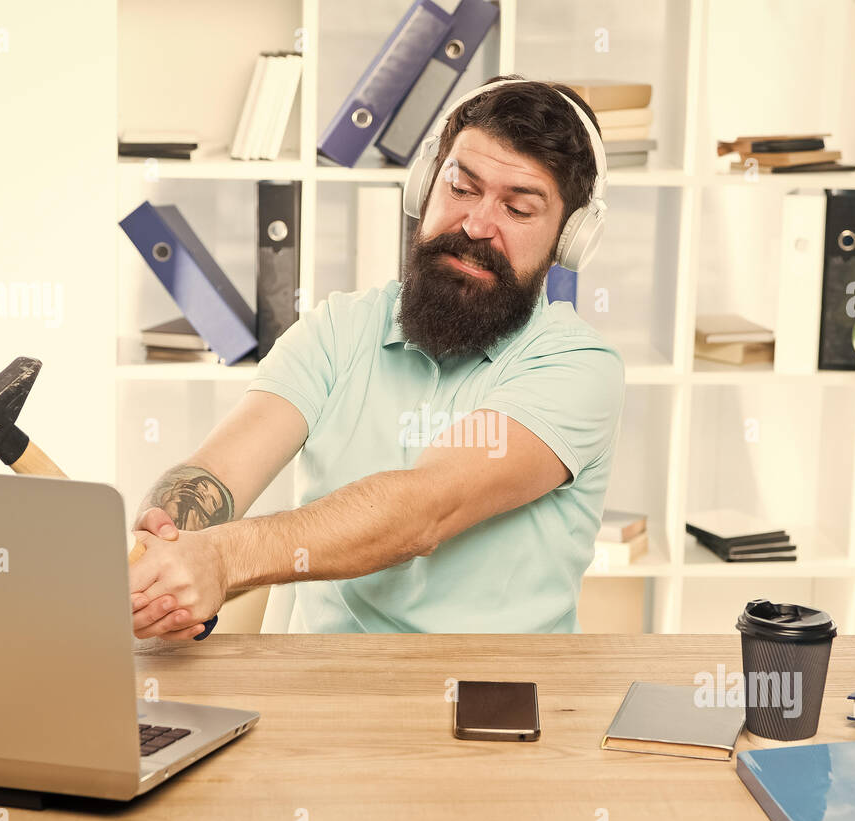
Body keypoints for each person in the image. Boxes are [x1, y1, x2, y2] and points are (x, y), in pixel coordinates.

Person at [128, 74, 625, 638]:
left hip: (498, 704)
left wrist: (221, 559)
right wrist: (168, 546)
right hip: (322, 694)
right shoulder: (338, 329)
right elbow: (215, 474)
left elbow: (423, 511)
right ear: (424, 186)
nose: (477, 225)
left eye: (518, 209)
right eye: (461, 188)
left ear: (570, 237)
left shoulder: (580, 367)